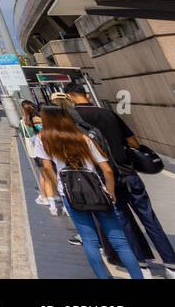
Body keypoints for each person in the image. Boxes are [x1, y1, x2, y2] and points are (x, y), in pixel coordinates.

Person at [69, 88, 173, 273]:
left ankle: (141, 263)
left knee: (123, 221)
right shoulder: (108, 114)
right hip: (128, 173)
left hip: (104, 177)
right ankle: (170, 263)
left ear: (70, 97)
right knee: (149, 218)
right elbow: (133, 142)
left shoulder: (72, 120)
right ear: (87, 95)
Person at [32, 105, 143, 279]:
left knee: (89, 241)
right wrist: (110, 191)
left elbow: (47, 168)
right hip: (98, 191)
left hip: (71, 193)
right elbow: (106, 170)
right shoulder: (83, 137)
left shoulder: (43, 139)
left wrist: (60, 187)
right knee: (120, 242)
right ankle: (138, 277)